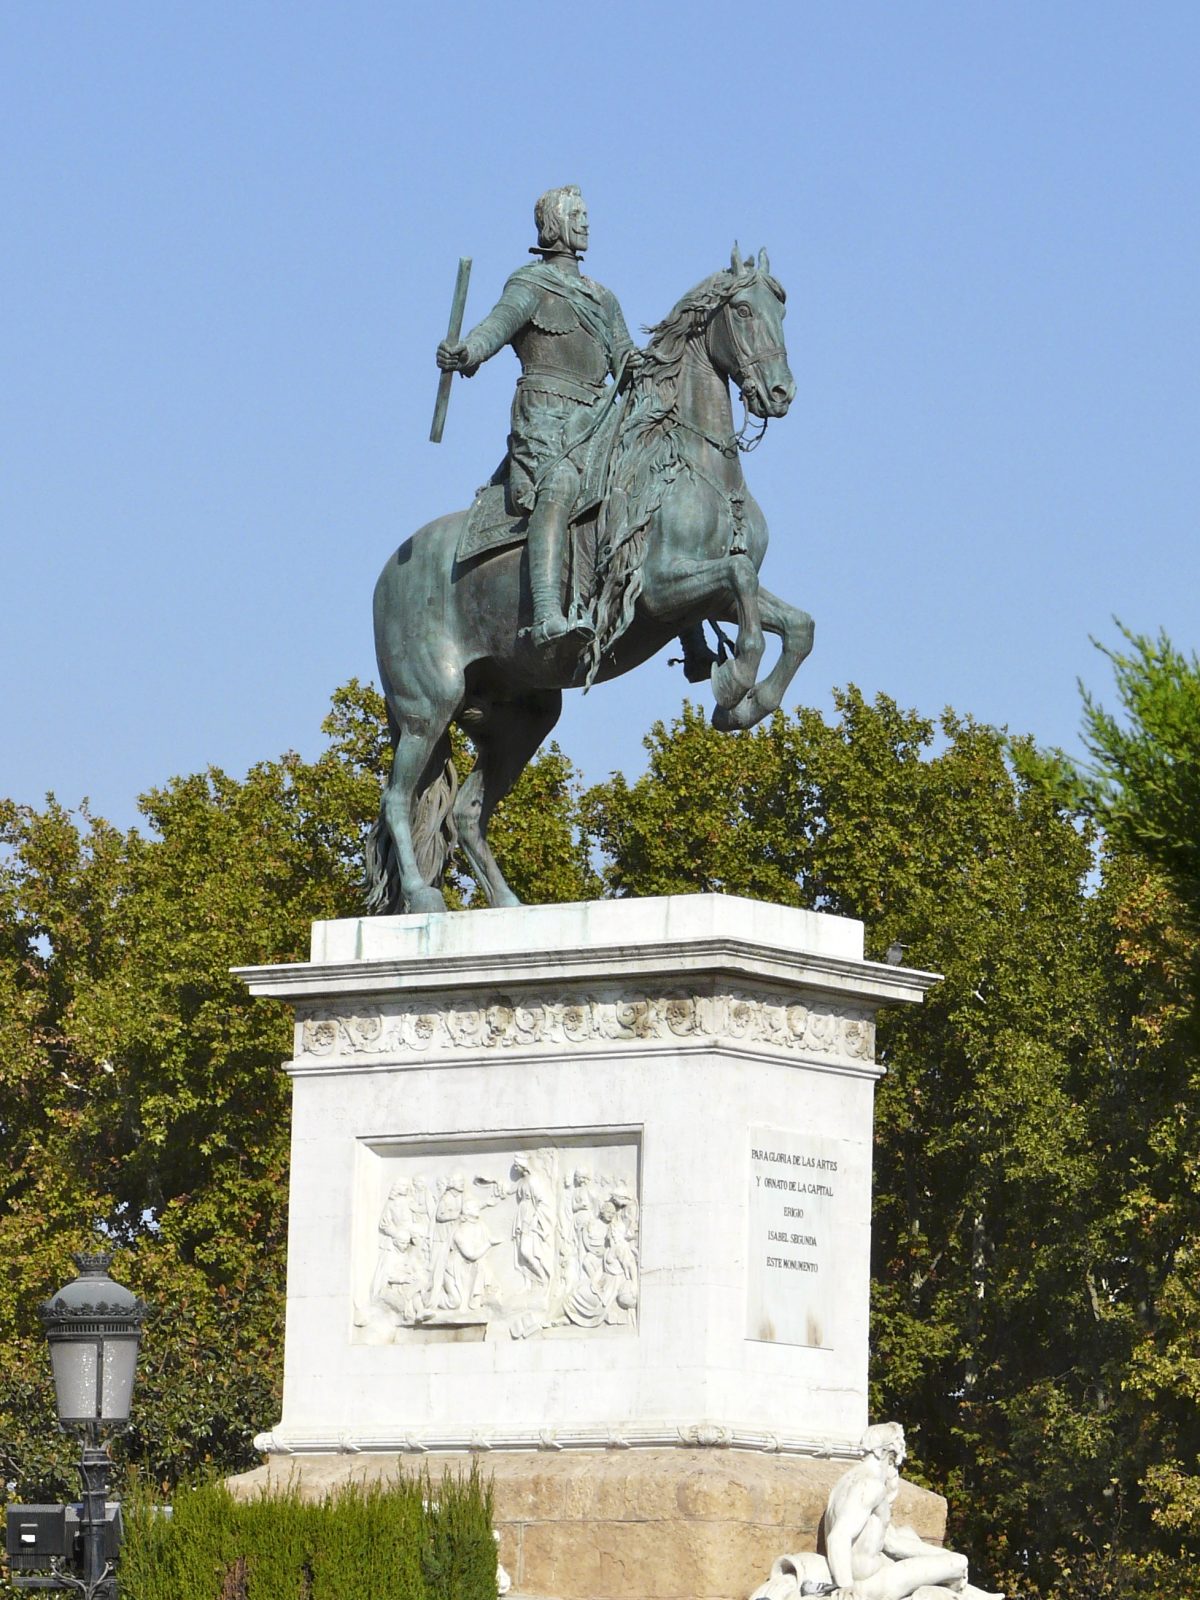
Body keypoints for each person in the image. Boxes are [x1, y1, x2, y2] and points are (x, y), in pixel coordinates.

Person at [436, 185, 640, 652]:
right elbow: (495, 327)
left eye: (587, 215)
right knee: (561, 485)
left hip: (597, 418)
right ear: (556, 224)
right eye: (578, 215)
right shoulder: (530, 284)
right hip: (546, 418)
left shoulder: (604, 298)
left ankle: (688, 637)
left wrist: (649, 366)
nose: (587, 223)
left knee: (648, 485)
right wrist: (466, 351)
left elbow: (625, 359)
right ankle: (547, 614)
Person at [751, 1422, 1002, 1600]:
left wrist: (941, 1554)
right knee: (959, 1562)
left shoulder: (847, 1481)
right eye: (897, 1456)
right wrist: (847, 1587)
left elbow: (892, 1543)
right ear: (885, 1452)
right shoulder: (870, 1485)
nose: (898, 1464)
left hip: (875, 1569)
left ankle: (980, 1594)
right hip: (871, 1583)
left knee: (921, 1542)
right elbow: (838, 1537)